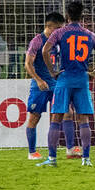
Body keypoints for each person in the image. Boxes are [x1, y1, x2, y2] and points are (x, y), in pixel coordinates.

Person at [38, 1, 95, 167]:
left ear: (67, 16)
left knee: (56, 118)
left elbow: (44, 51)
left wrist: (52, 71)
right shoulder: (89, 34)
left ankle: (52, 159)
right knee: (83, 119)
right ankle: (86, 159)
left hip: (65, 78)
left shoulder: (60, 33)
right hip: (82, 79)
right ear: (82, 16)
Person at [22, 12, 64, 160]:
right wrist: (38, 80)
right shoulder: (37, 41)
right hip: (39, 86)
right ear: (50, 27)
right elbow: (28, 64)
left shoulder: (57, 42)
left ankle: (56, 150)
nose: (60, 31)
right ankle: (32, 152)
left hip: (55, 84)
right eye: (58, 28)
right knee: (34, 117)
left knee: (61, 115)